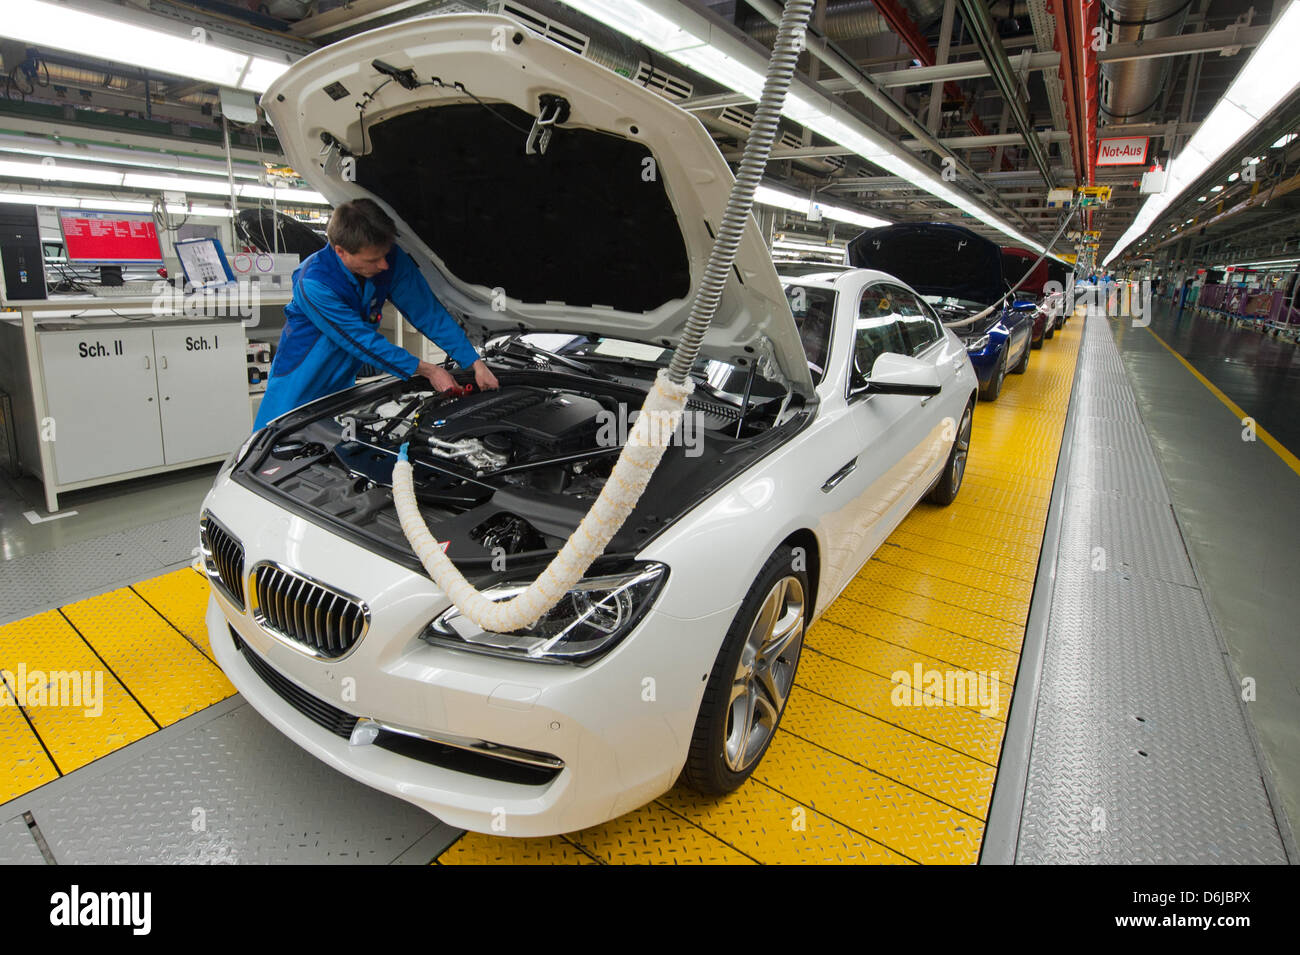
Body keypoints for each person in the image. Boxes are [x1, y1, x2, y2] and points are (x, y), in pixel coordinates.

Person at [253, 198, 499, 429]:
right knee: (277, 442)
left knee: (330, 442)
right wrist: (430, 370)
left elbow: (428, 313)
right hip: (299, 379)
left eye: (385, 254)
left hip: (342, 378)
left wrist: (474, 363)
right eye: (373, 259)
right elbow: (362, 342)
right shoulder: (314, 283)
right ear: (341, 252)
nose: (383, 265)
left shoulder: (389, 258)